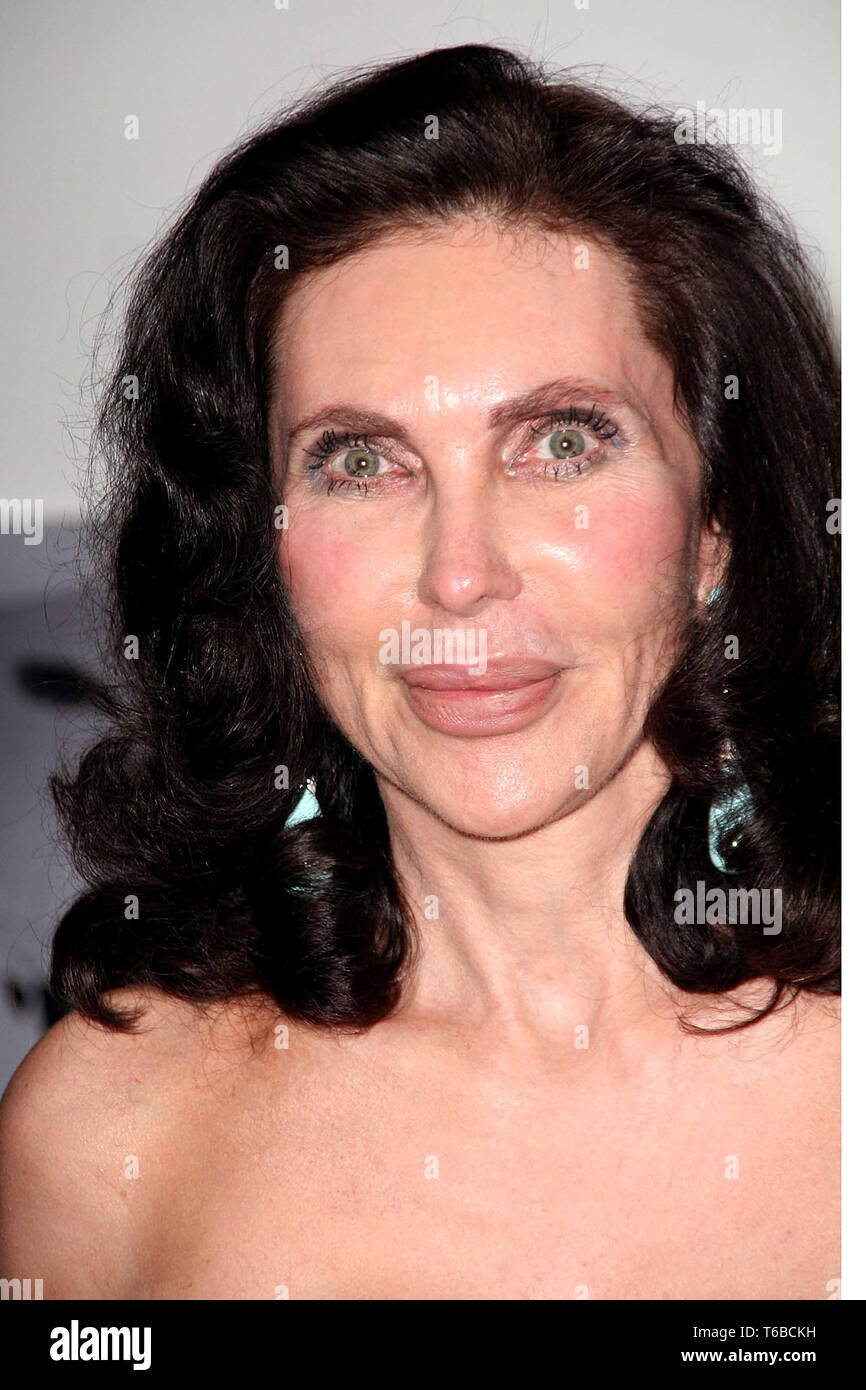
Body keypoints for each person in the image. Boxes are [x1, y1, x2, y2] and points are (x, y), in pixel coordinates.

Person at [0, 43, 839, 1300]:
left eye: (561, 443)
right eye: (359, 462)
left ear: (715, 526)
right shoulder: (104, 1136)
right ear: (263, 554)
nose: (459, 577)